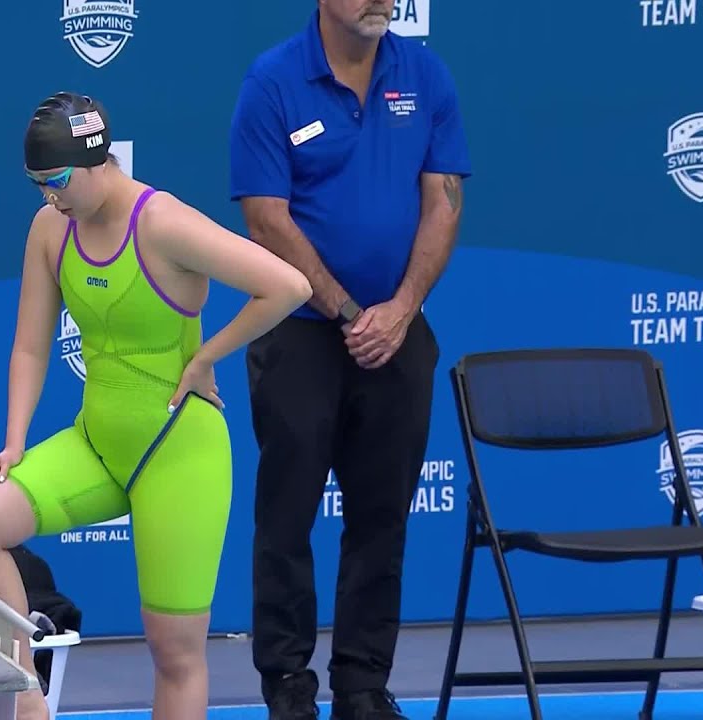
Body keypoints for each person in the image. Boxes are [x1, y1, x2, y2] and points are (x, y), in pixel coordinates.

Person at [0, 91, 313, 720]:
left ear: (97, 161)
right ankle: (27, 703)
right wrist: (14, 442)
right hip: (96, 442)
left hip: (177, 450)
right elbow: (31, 348)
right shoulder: (49, 230)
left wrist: (205, 359)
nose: (50, 198)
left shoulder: (162, 222)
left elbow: (287, 285)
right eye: (38, 184)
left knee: (174, 652)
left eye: (57, 181)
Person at [226, 1, 471, 719]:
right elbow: (266, 217)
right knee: (286, 517)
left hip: (398, 334)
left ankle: (363, 684)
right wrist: (346, 310)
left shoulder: (425, 75)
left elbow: (444, 201)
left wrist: (397, 310)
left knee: (381, 518)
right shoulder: (272, 81)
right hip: (299, 331)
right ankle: (288, 685)